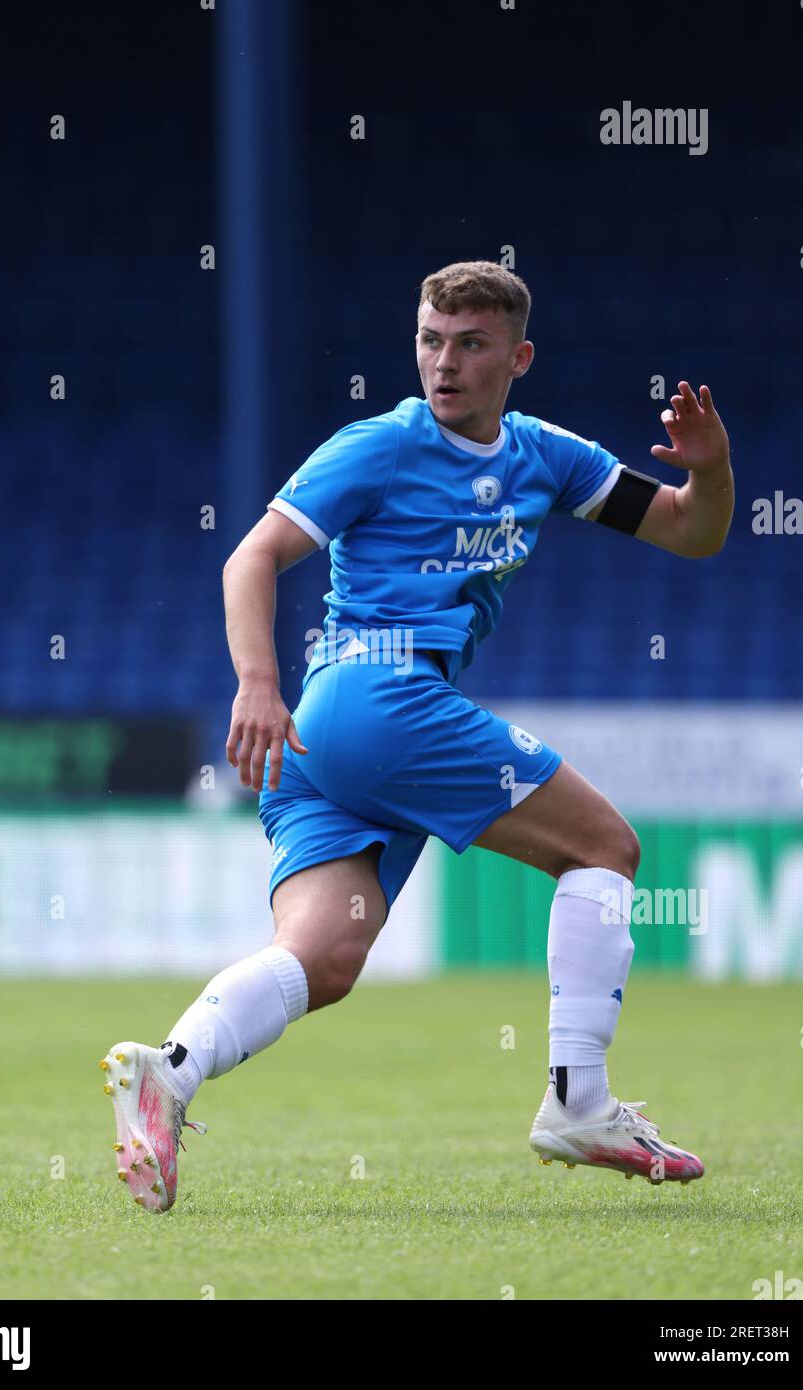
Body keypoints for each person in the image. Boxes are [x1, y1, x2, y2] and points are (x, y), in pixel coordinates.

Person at [101, 260, 733, 1211]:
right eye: (431, 340)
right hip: (371, 699)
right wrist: (256, 687)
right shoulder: (380, 444)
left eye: (471, 345)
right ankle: (581, 1101)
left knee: (325, 960)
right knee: (604, 848)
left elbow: (692, 532)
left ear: (517, 357)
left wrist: (713, 468)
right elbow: (253, 556)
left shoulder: (545, 456)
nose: (445, 363)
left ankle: (170, 1075)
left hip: (333, 745)